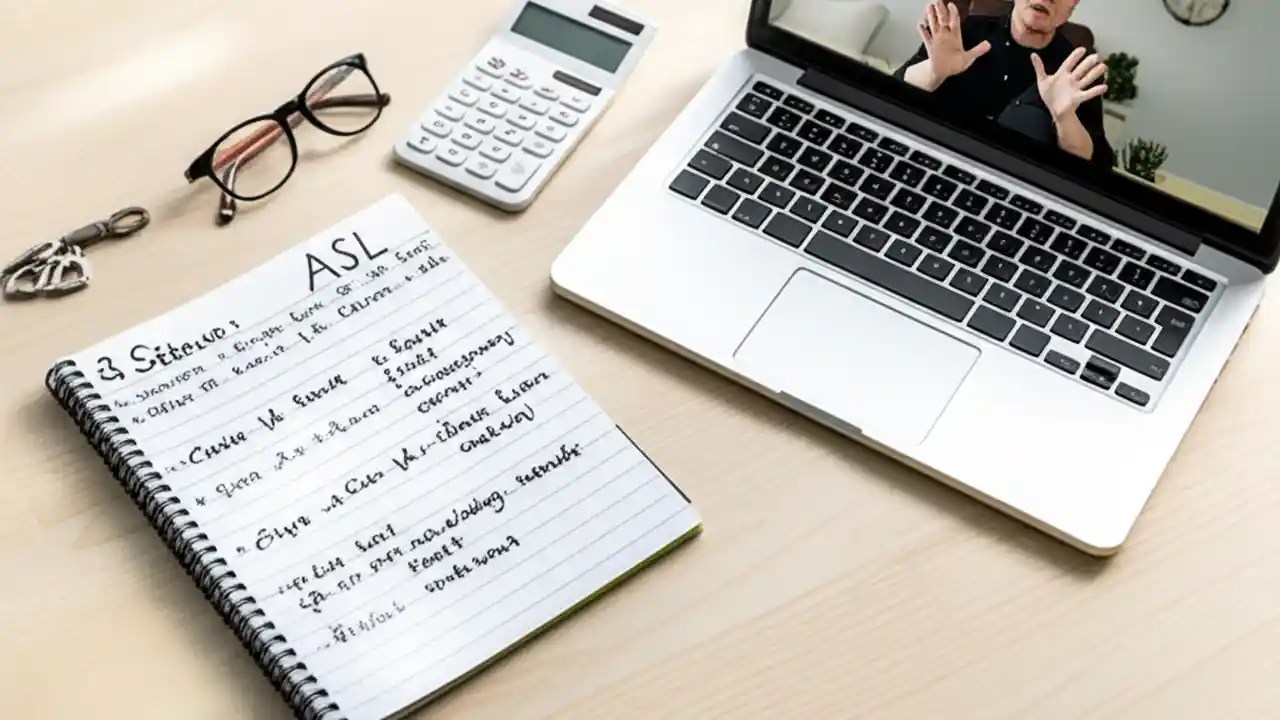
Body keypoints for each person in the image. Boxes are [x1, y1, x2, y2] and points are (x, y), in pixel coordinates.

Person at [895, 0, 1114, 168]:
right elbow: (893, 89)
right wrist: (933, 71)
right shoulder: (962, 33)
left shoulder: (1077, 72)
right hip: (935, 158)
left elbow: (1095, 164)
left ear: (1072, 6)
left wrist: (1065, 118)